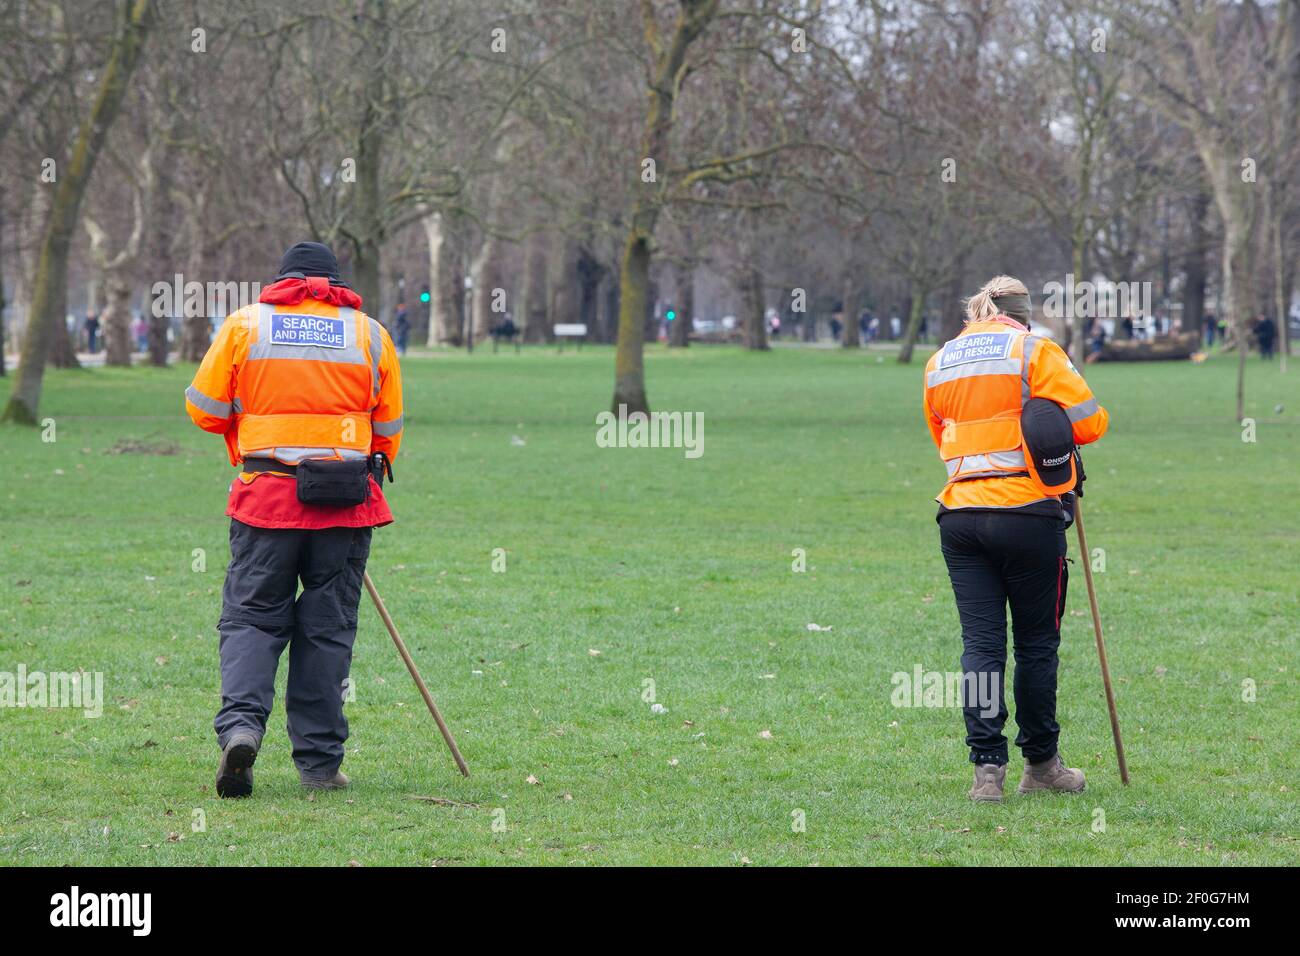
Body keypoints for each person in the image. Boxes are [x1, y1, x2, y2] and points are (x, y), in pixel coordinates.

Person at [185, 241, 404, 798]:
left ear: (282, 279)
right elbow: (388, 429)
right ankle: (319, 766)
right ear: (336, 282)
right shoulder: (370, 333)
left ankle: (241, 730)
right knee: (327, 632)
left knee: (253, 620)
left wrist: (248, 424)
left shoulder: (246, 326)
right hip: (344, 505)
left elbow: (205, 411)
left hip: (267, 501)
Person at [922, 275, 1108, 803]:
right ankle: (1042, 764)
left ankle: (986, 772)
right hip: (1028, 513)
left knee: (980, 645)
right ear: (1023, 314)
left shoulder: (940, 360)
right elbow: (1090, 423)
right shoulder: (1035, 351)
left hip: (959, 515)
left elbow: (941, 433)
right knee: (1034, 645)